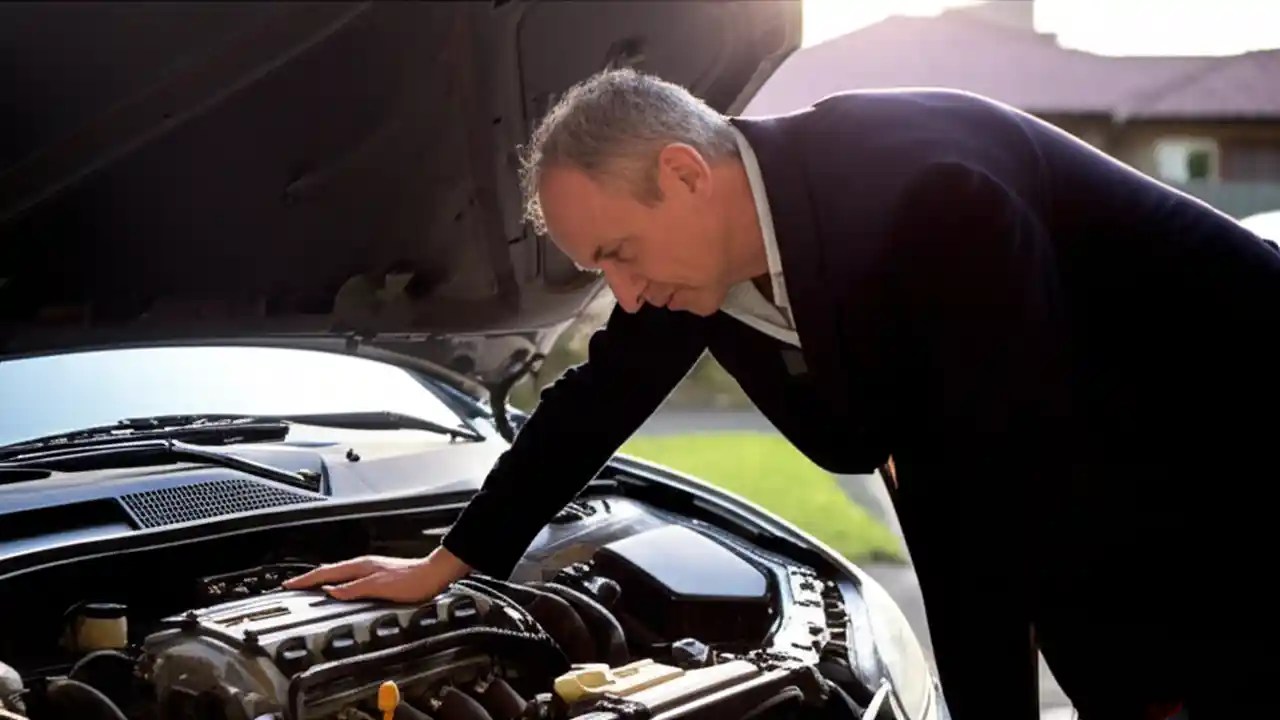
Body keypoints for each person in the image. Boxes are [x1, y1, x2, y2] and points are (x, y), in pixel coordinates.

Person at [285, 69, 1280, 718]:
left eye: (618, 254)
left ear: (682, 173)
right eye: (600, 270)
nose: (623, 295)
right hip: (1097, 500)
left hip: (1233, 472)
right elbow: (597, 397)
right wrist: (450, 562)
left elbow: (978, 500)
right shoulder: (699, 247)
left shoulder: (929, 199)